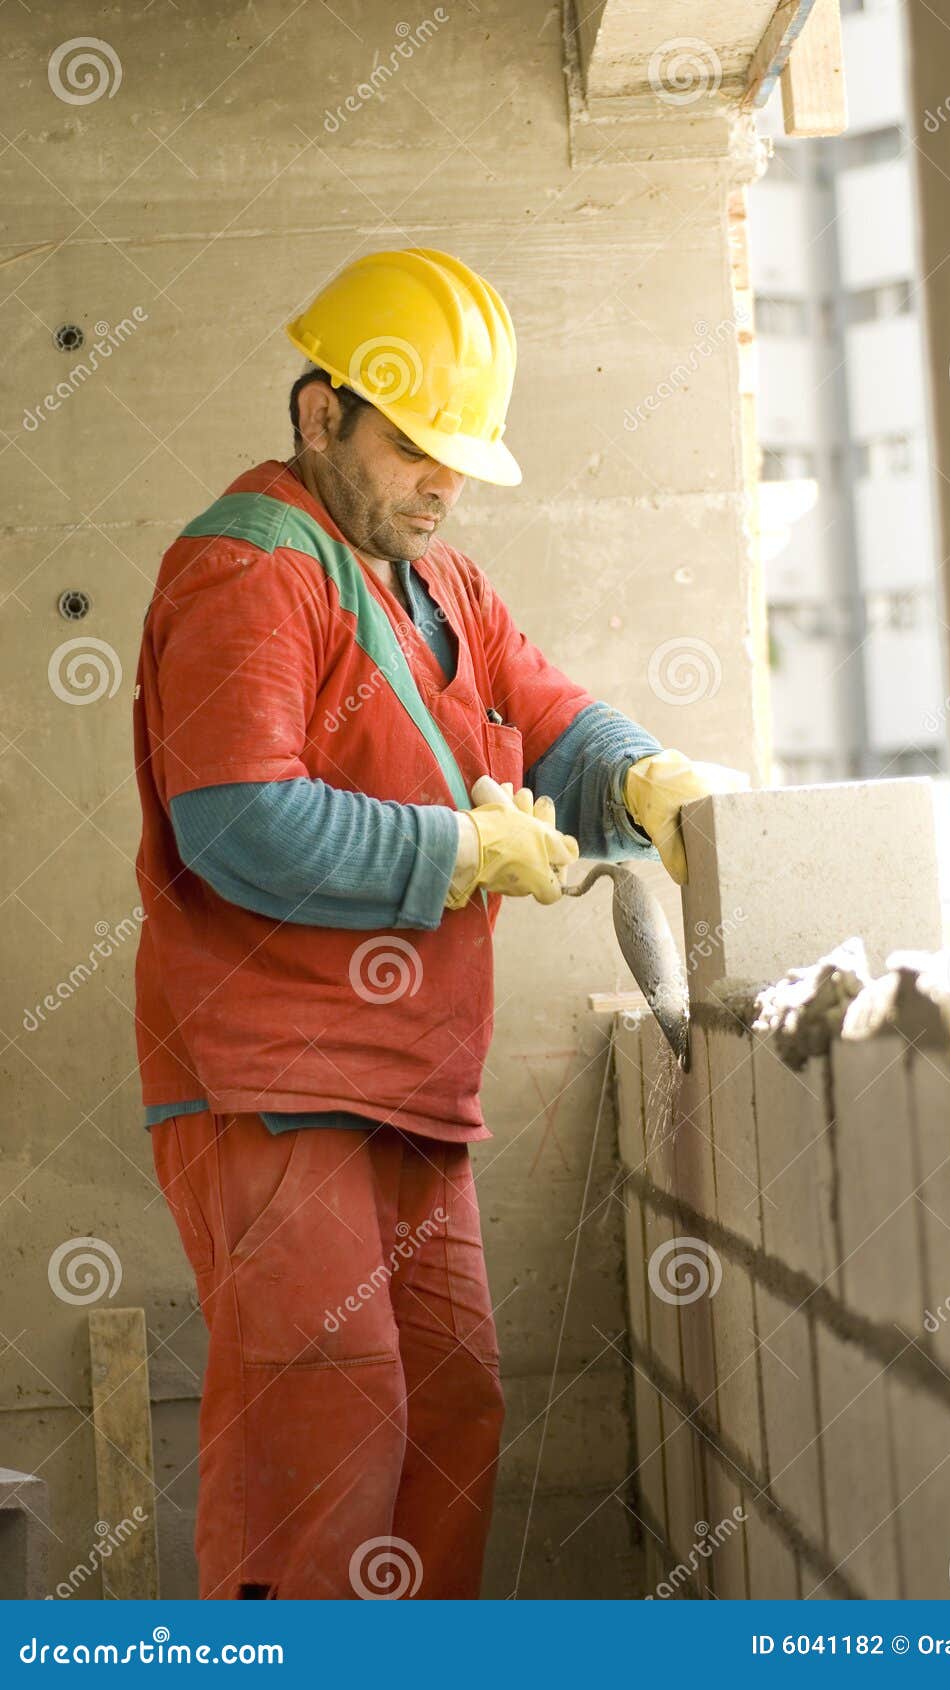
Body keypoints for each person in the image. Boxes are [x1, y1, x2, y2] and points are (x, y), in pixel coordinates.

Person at [133, 247, 721, 1599]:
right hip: (271, 1083)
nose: (439, 483)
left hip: (413, 1091)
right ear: (318, 413)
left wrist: (646, 778)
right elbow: (238, 822)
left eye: (458, 456)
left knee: (449, 1416)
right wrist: (457, 851)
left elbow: (548, 708)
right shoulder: (249, 569)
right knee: (329, 1420)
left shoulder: (440, 583)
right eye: (411, 447)